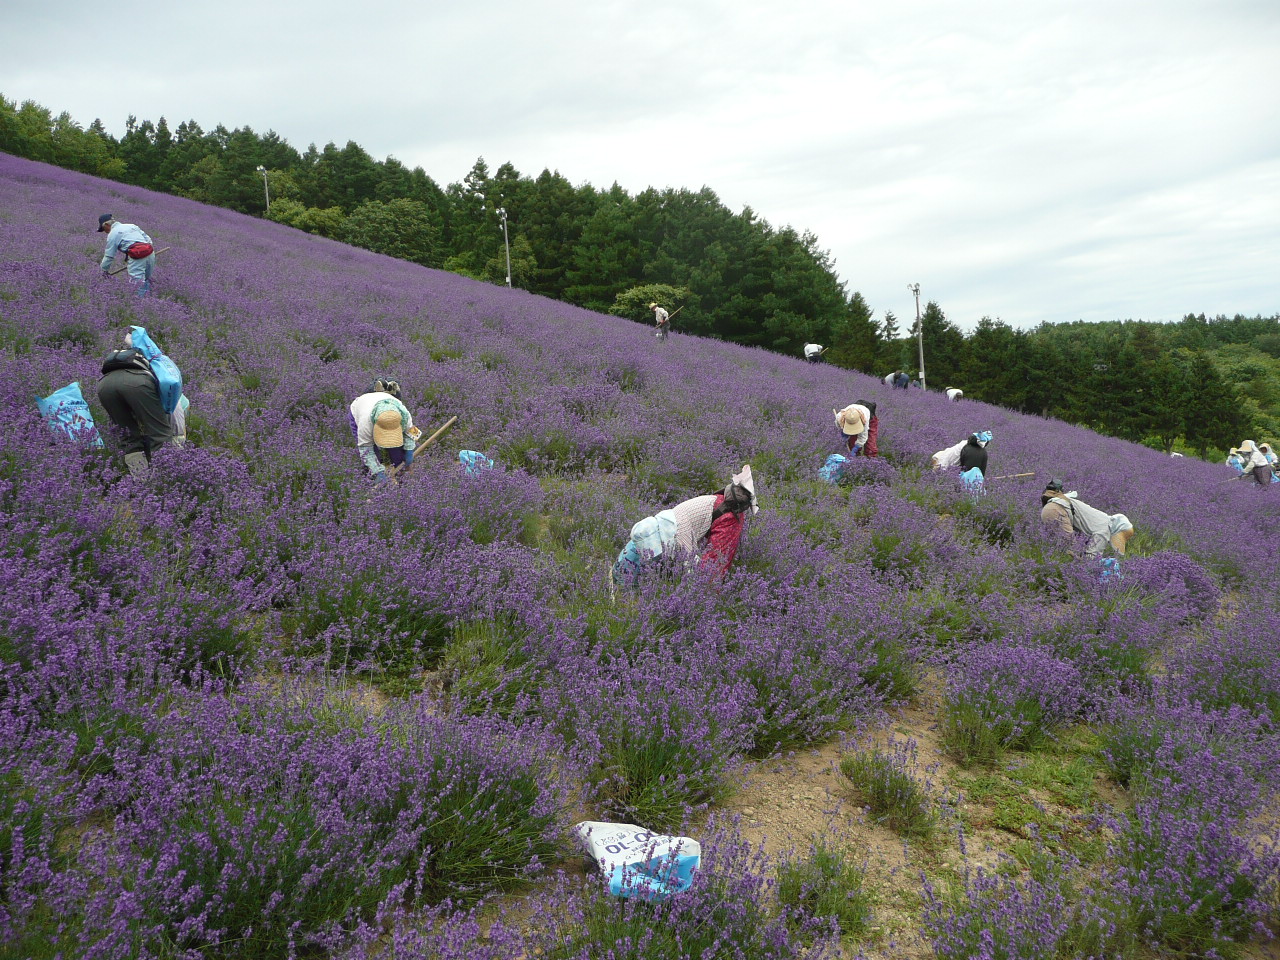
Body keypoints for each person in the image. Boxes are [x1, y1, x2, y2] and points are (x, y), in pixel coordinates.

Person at [612, 465, 758, 588]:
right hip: (675, 536)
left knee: (636, 574)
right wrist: (707, 589)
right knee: (690, 574)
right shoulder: (729, 516)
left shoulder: (716, 501)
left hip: (663, 529)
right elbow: (717, 560)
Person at [97, 335, 180, 477]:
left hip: (104, 384)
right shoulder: (162, 367)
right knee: (159, 433)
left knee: (128, 436)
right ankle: (165, 479)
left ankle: (140, 480)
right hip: (137, 382)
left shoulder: (139, 357)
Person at [1039, 479, 1134, 557]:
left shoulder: (1102, 518)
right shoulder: (1104, 530)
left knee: (1056, 547)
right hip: (1058, 510)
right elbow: (1092, 557)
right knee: (1071, 550)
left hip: (1049, 507)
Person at [349, 378, 419, 483]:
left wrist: (409, 450)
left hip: (385, 402)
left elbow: (413, 433)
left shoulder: (404, 414)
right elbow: (365, 449)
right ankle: (371, 478)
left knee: (398, 452)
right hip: (361, 407)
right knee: (372, 454)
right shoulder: (365, 422)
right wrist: (377, 472)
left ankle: (402, 479)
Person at [98, 213, 156, 297]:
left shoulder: (113, 234)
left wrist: (103, 271)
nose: (105, 232)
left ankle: (139, 304)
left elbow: (109, 256)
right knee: (146, 279)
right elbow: (149, 240)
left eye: (104, 229)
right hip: (150, 253)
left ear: (107, 224)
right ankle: (147, 299)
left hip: (137, 256)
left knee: (136, 282)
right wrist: (145, 253)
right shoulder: (131, 226)